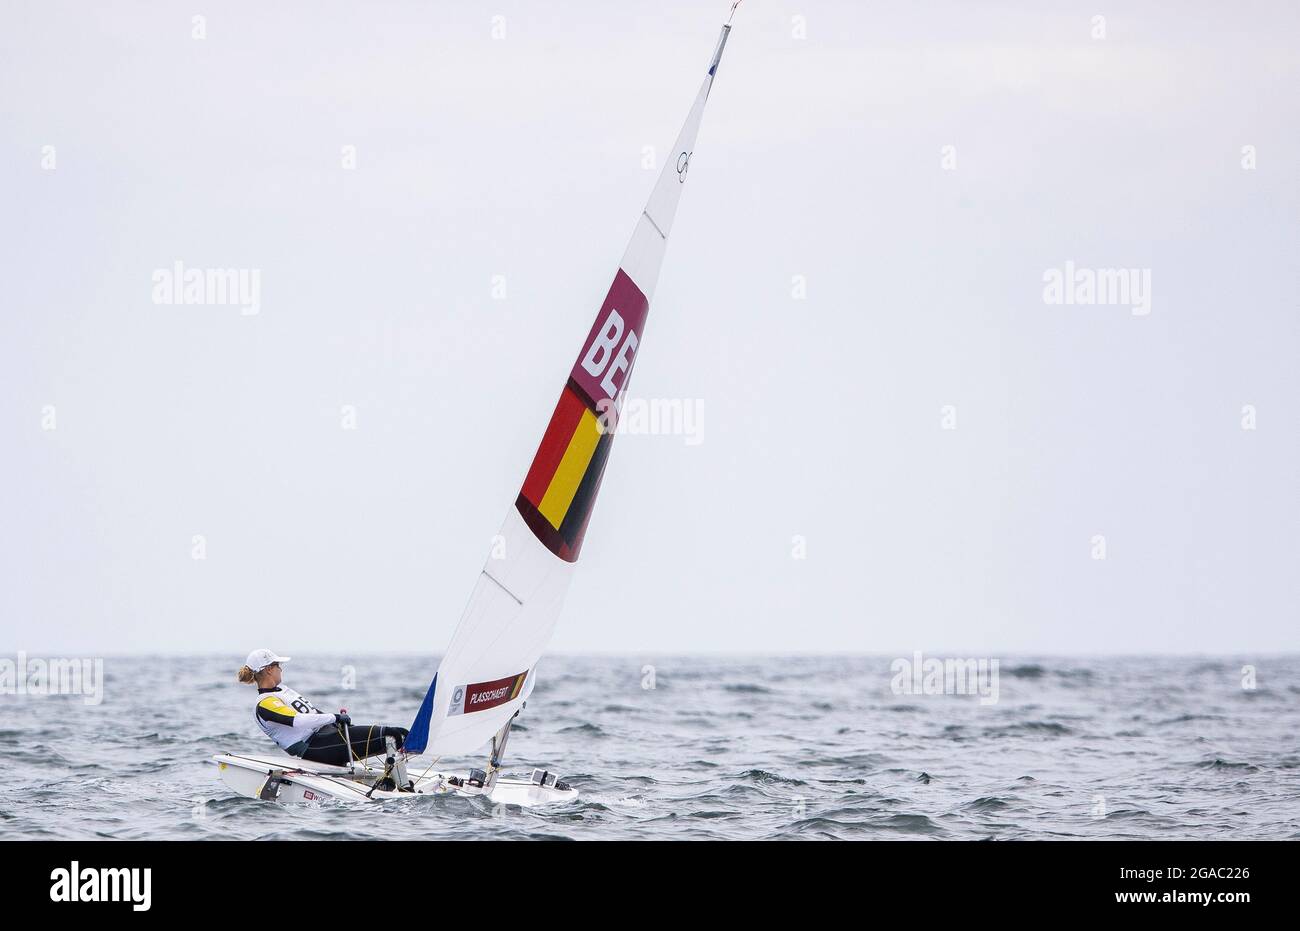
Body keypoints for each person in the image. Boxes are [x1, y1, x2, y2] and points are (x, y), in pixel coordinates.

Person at [237, 649, 409, 766]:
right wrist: (334, 717)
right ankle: (400, 786)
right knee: (391, 735)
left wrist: (337, 723)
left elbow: (312, 713)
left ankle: (392, 777)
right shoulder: (264, 703)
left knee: (397, 733)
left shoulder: (282, 690)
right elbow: (298, 721)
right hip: (314, 748)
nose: (281, 669)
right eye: (278, 666)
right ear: (268, 669)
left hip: (327, 736)